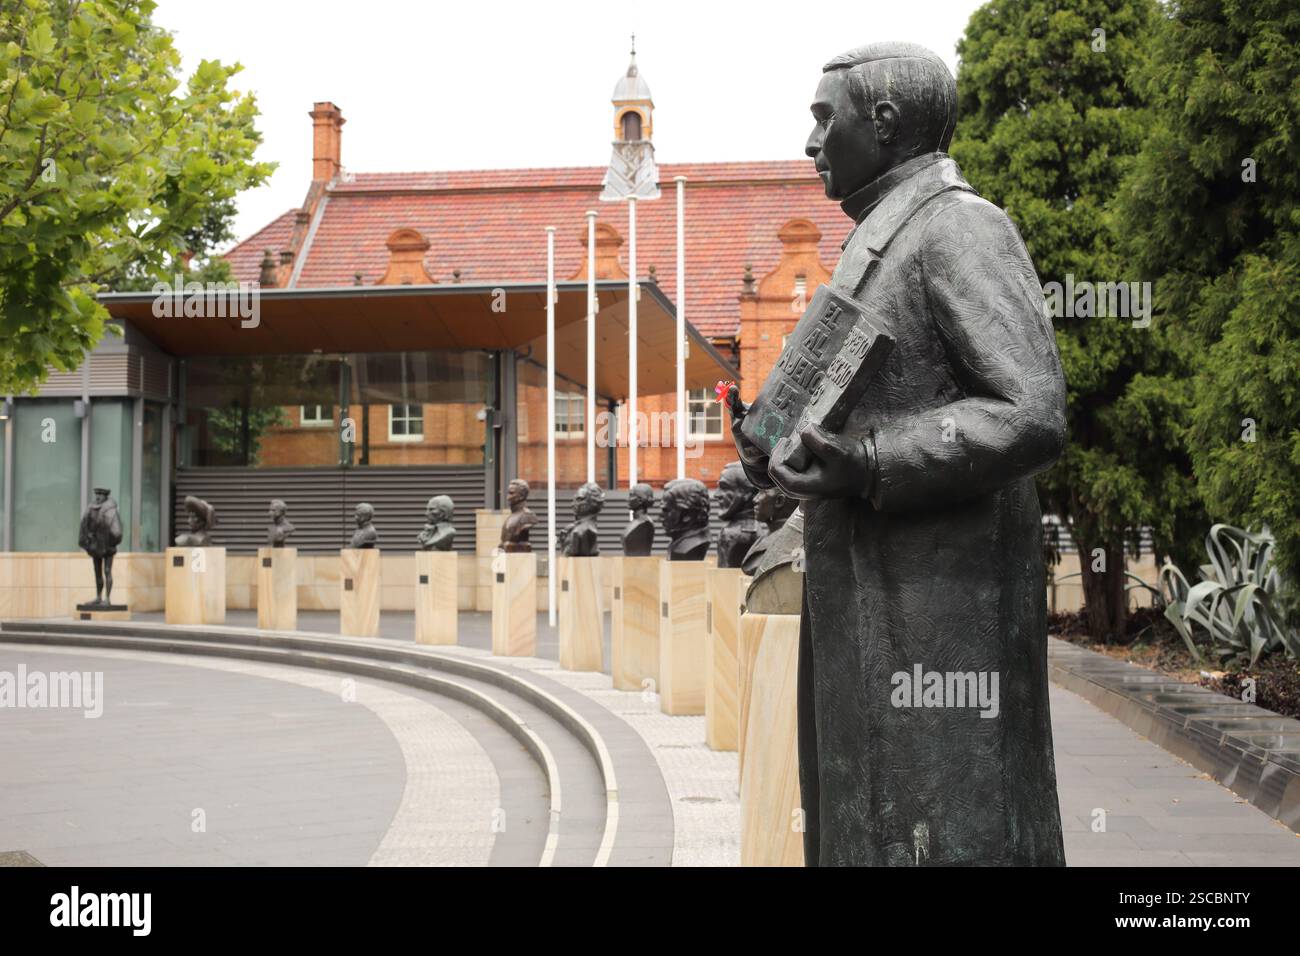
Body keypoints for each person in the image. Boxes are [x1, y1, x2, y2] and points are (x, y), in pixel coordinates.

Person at [728, 41, 1068, 866]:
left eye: (823, 119)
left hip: (935, 622)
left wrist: (874, 461)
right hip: (871, 605)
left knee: (941, 831)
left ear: (882, 123)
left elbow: (1032, 409)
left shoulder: (958, 228)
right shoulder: (883, 242)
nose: (810, 144)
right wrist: (778, 447)